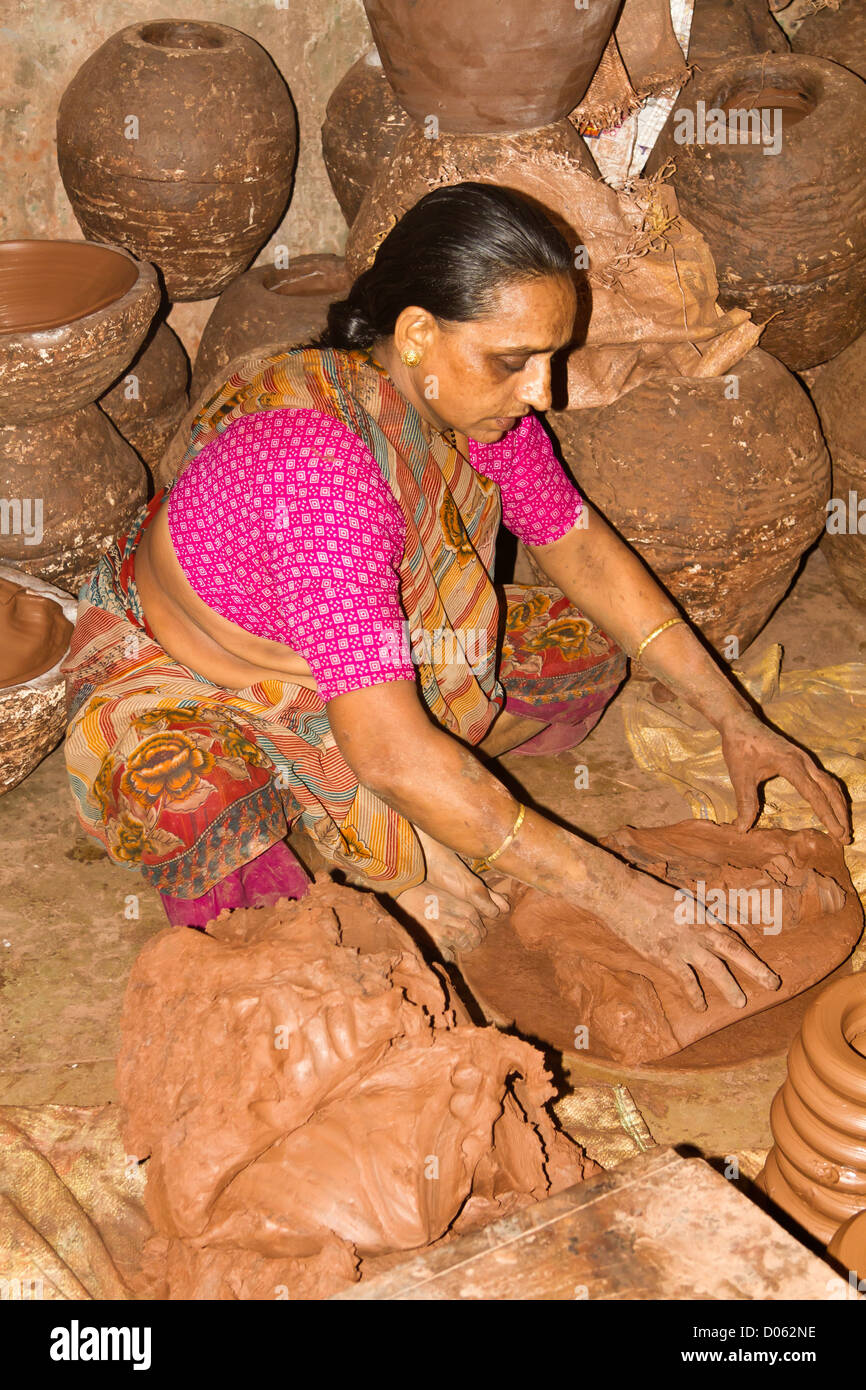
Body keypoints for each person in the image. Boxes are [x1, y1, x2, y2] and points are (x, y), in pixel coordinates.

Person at [61, 182, 849, 1014]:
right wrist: (620, 897)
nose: (543, 391)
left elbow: (579, 546)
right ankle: (339, 809)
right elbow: (393, 753)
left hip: (348, 663)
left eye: (551, 357)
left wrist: (735, 718)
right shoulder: (319, 470)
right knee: (225, 855)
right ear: (416, 333)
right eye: (513, 361)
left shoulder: (456, 409)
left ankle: (403, 801)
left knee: (583, 651)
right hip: (198, 683)